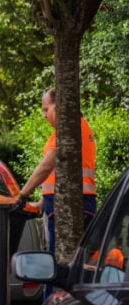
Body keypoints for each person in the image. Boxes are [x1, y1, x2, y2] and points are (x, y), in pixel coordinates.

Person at [13, 88, 96, 253]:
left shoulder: (69, 130)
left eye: (46, 109)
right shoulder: (77, 127)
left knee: (60, 259)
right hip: (76, 203)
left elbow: (46, 167)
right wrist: (42, 203)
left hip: (70, 205)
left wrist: (21, 196)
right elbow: (61, 172)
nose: (44, 115)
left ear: (60, 106)